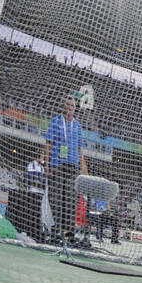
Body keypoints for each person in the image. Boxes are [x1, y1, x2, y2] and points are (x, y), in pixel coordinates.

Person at [40, 94, 87, 241]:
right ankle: (56, 229)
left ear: (75, 109)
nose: (69, 108)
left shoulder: (78, 126)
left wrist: (83, 167)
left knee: (71, 200)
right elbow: (48, 145)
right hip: (57, 165)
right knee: (56, 198)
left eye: (72, 106)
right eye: (67, 105)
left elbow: (80, 149)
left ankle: (69, 232)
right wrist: (46, 166)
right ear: (63, 107)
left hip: (73, 166)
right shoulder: (55, 122)